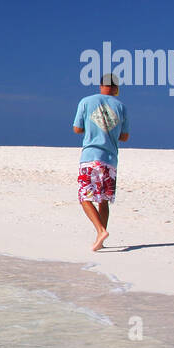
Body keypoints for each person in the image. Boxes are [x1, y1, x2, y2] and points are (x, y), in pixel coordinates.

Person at [73, 73, 130, 251]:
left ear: (101, 85)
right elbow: (125, 136)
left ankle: (100, 230)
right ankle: (100, 239)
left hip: (90, 156)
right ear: (115, 88)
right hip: (110, 159)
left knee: (84, 197)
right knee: (103, 200)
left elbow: (77, 128)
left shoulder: (86, 101)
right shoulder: (121, 107)